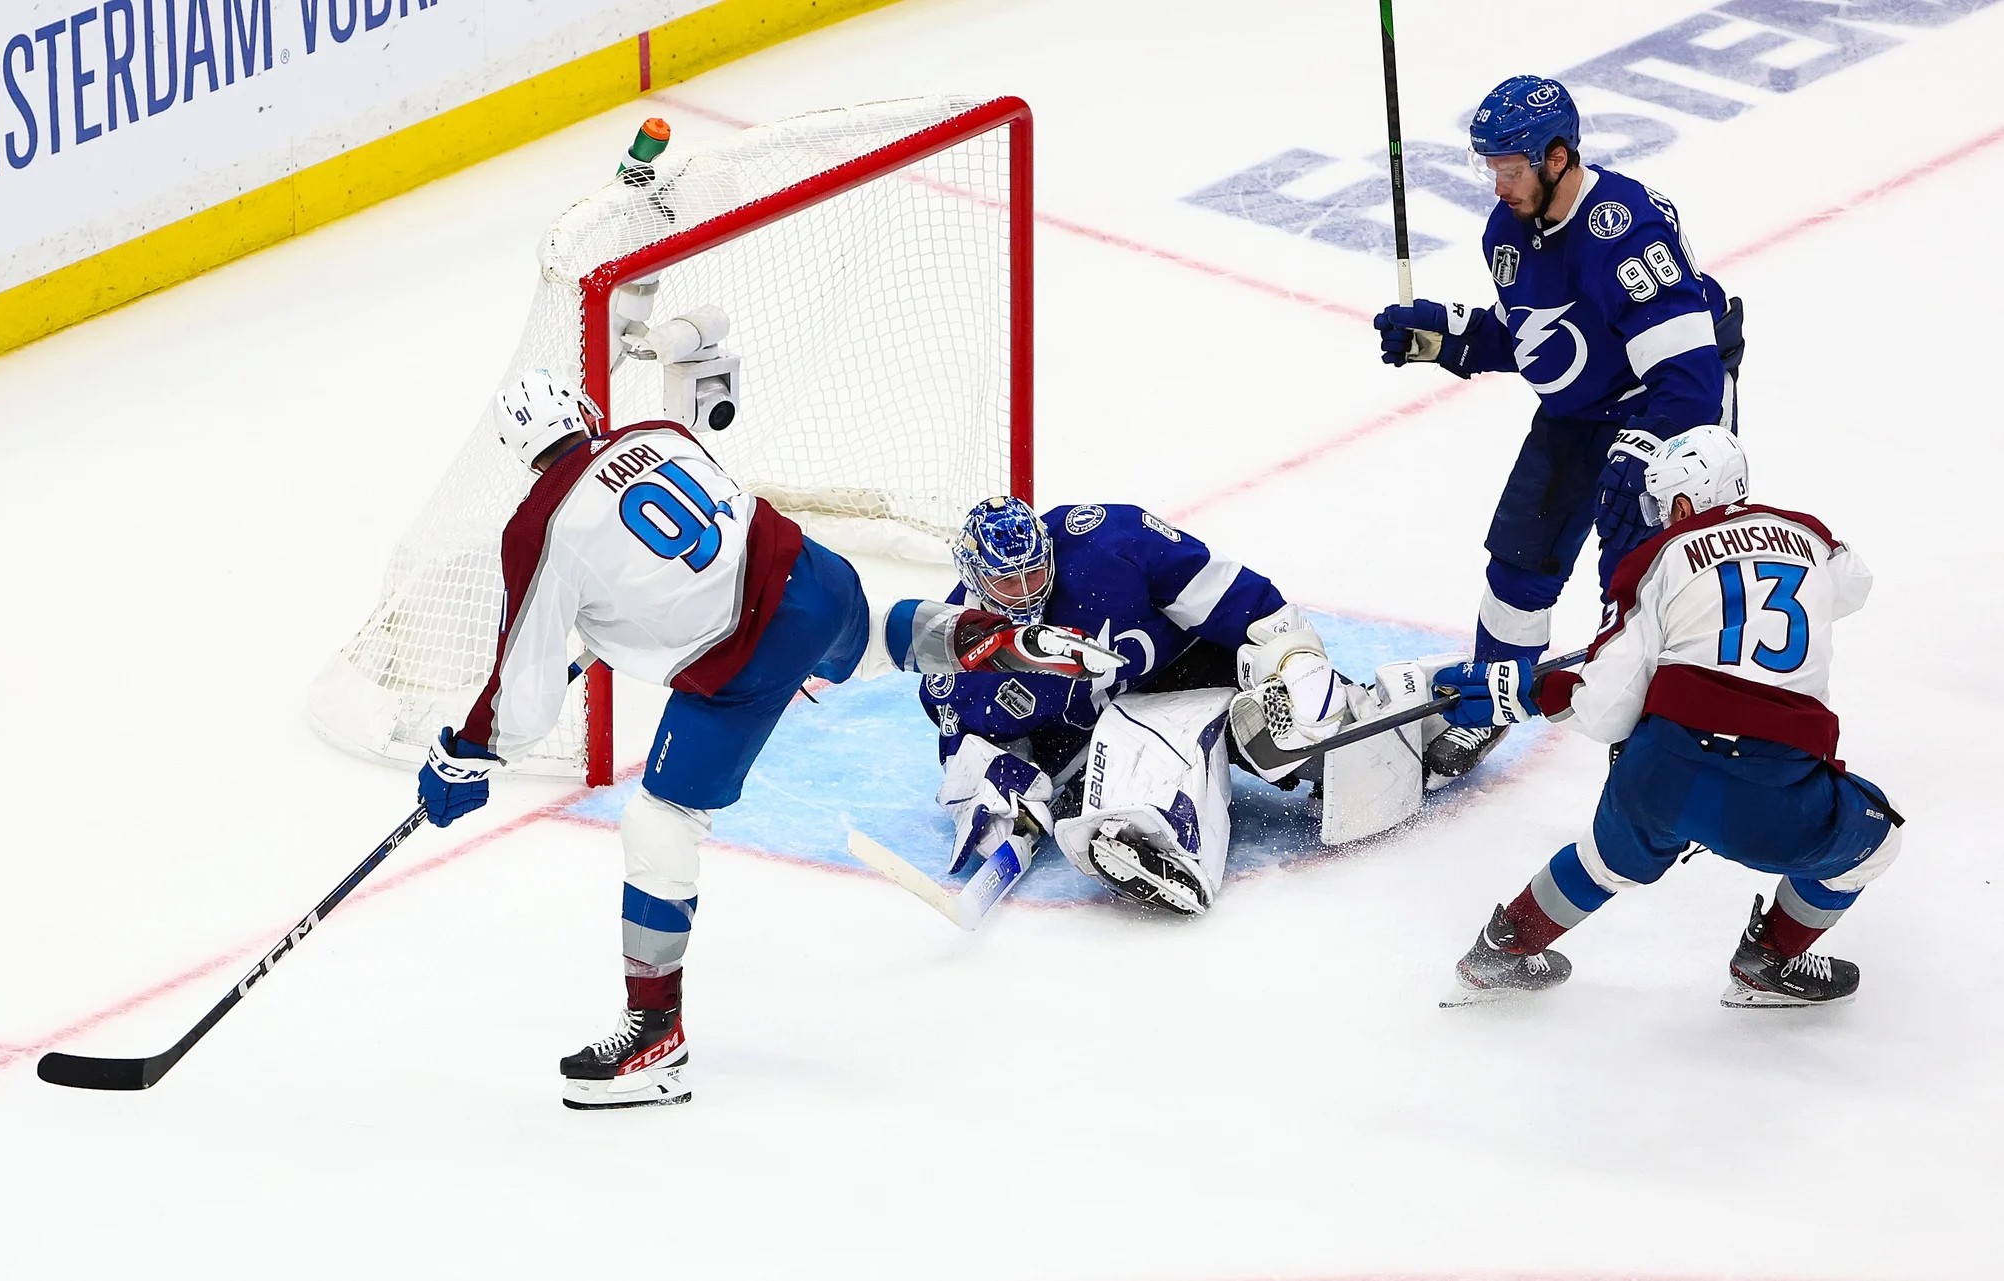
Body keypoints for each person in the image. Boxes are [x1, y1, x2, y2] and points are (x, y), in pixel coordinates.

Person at [416, 370, 1121, 1110]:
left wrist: (465, 754)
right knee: (873, 631)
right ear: (586, 413)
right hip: (814, 576)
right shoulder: (658, 435)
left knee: (659, 820)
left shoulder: (539, 527)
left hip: (743, 654)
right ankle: (994, 636)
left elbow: (520, 696)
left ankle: (655, 1037)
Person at [1431, 426, 1901, 1008]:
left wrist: (1525, 692)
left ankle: (1500, 953)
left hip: (1665, 771)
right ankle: (1771, 960)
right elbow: (1854, 585)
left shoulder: (1653, 560)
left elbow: (1606, 707)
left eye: (1661, 504)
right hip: (1774, 784)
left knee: (1602, 860)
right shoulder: (1808, 533)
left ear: (1683, 502)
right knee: (1873, 843)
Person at [1372, 74, 1745, 784]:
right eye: (1491, 169)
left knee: (1643, 578)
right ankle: (1493, 700)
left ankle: (1669, 735)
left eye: (1510, 169)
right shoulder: (1507, 232)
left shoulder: (1625, 230)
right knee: (1520, 557)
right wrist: (1446, 337)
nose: (1498, 186)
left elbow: (1689, 378)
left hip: (1670, 403)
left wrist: (1642, 451)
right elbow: (1550, 346)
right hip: (1588, 404)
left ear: (1557, 158)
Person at [918, 496, 1439, 916]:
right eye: (1009, 580)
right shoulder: (958, 660)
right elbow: (975, 752)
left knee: (1290, 718)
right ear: (974, 579)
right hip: (1119, 726)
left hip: (1197, 657)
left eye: (1036, 570)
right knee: (1158, 757)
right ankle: (1162, 848)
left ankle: (1421, 717)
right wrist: (1001, 797)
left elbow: (1220, 589)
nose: (1029, 589)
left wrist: (1289, 647)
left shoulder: (1109, 540)